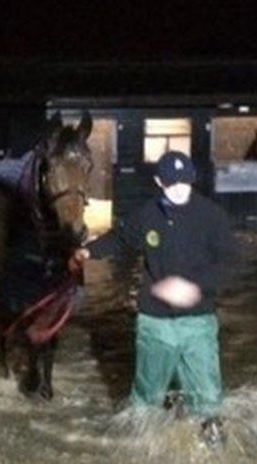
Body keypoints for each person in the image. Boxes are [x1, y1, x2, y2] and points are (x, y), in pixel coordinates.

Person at [73, 151, 240, 445]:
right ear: (158, 182)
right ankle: (139, 455)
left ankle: (213, 453)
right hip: (154, 322)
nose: (179, 189)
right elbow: (121, 238)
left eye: (185, 182)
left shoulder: (212, 216)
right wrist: (89, 251)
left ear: (193, 180)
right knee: (147, 396)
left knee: (208, 398)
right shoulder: (147, 214)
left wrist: (194, 287)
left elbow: (231, 263)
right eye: (172, 183)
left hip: (197, 321)